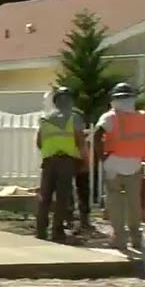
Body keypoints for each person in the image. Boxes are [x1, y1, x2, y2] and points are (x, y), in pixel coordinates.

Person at [93, 82, 145, 251]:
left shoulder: (110, 117)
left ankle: (119, 238)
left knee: (115, 202)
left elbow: (97, 134)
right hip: (135, 164)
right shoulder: (143, 117)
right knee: (134, 202)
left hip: (113, 163)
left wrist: (102, 157)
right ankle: (136, 238)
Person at [35, 86, 86, 243]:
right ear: (71, 101)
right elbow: (80, 140)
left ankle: (41, 230)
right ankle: (57, 232)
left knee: (45, 196)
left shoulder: (45, 119)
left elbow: (39, 142)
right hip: (66, 161)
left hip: (48, 162)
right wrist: (83, 160)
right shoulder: (74, 117)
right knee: (62, 197)